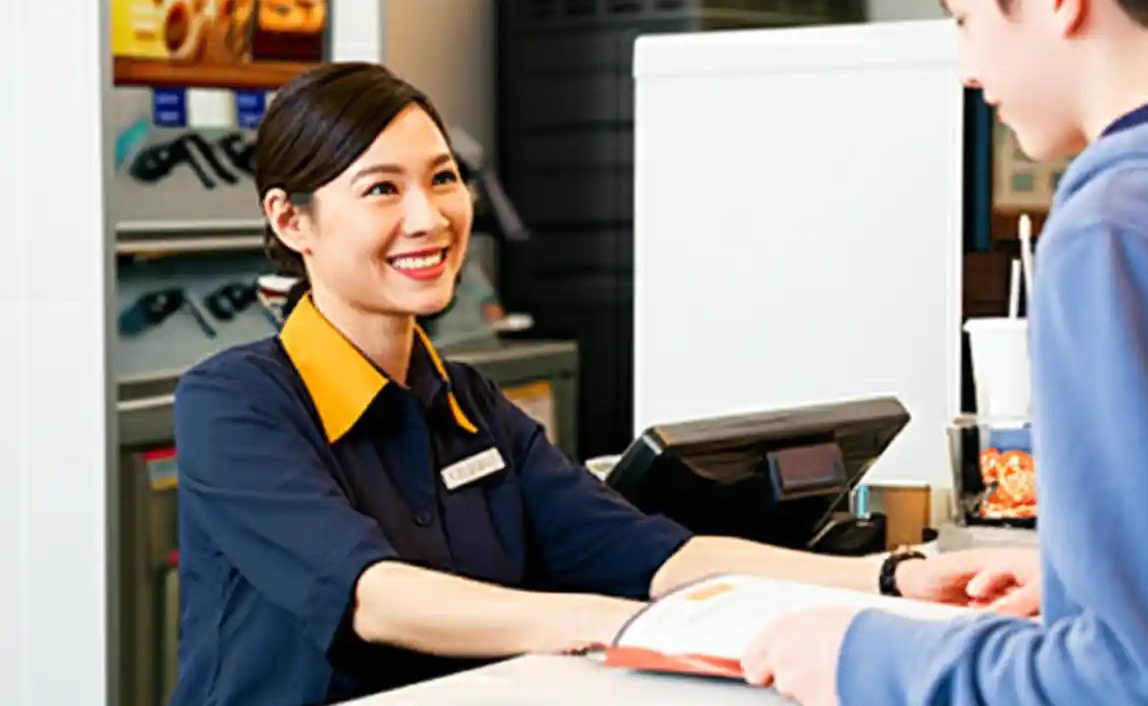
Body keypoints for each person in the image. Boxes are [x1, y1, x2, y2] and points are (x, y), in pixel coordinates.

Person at [170, 62, 1006, 706]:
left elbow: (663, 556)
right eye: (381, 189)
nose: (428, 217)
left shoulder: (471, 404)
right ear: (290, 220)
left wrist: (894, 578)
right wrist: (606, 624)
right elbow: (372, 598)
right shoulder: (236, 403)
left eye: (443, 178)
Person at [742, 0, 1148, 704]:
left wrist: (860, 658)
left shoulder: (1117, 231)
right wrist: (1086, 586)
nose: (966, 67)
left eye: (966, 20)